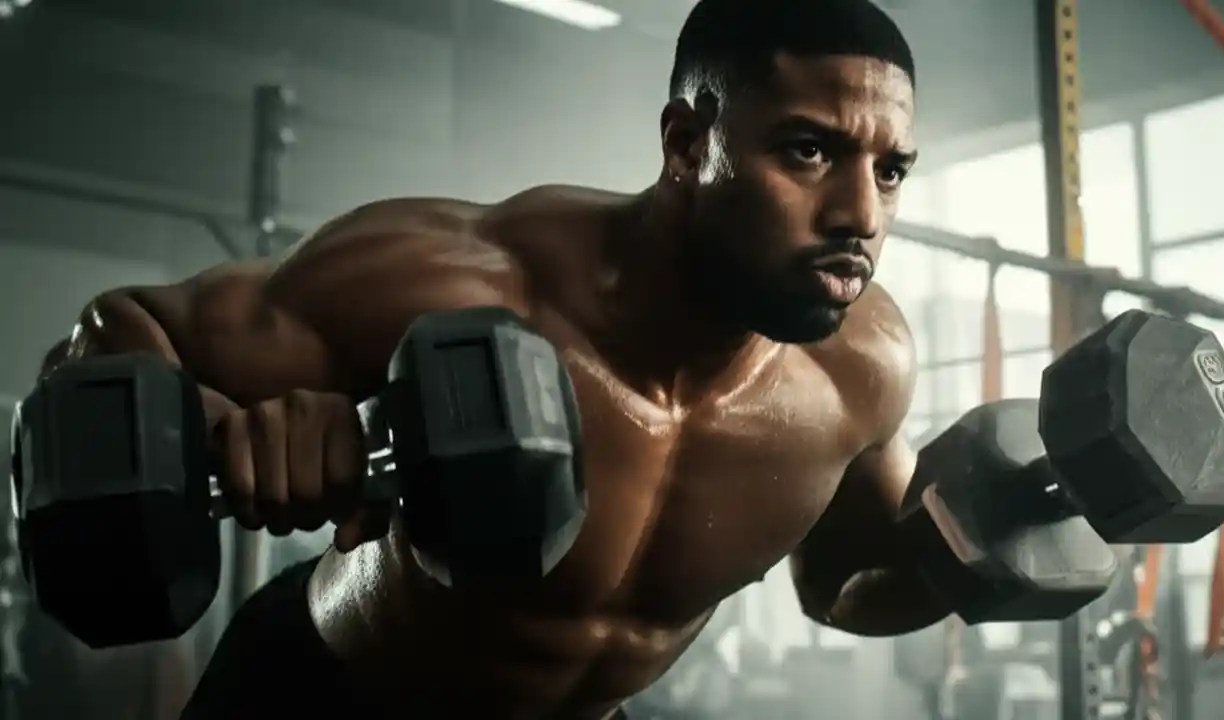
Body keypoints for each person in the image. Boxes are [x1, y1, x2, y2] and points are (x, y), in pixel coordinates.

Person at [54, 0, 935, 717]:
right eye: (809, 150)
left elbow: (843, 589)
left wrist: (973, 561)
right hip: (330, 696)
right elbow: (111, 334)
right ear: (684, 144)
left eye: (890, 170)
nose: (860, 212)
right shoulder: (457, 281)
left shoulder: (864, 369)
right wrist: (230, 438)